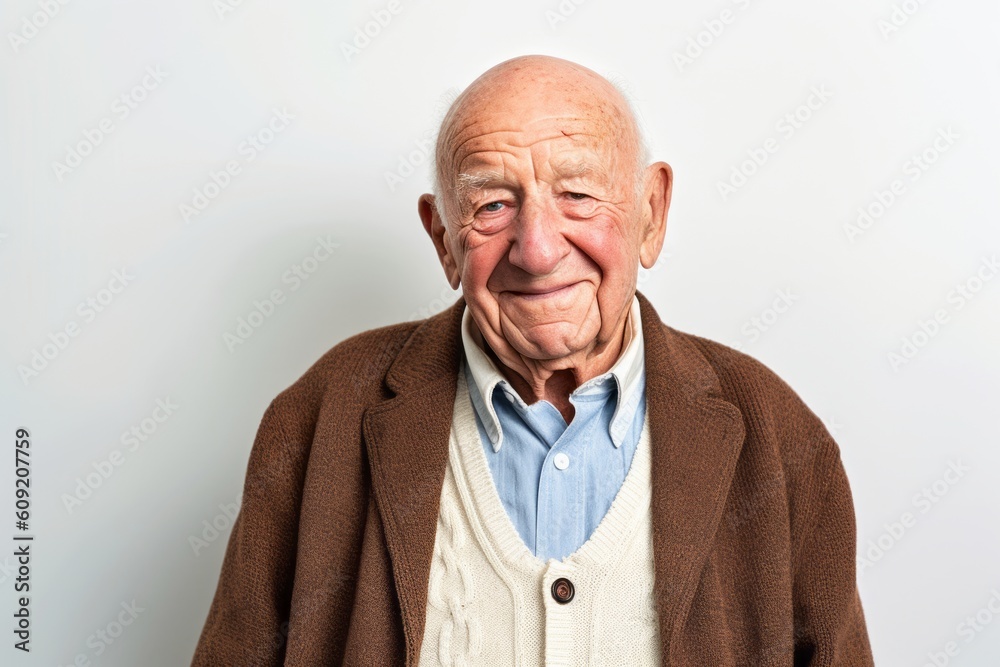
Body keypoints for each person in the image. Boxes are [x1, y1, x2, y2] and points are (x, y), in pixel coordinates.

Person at [191, 54, 875, 665]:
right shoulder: (321, 417)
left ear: (652, 211)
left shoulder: (775, 433)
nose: (538, 248)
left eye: (577, 194)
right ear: (443, 239)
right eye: (492, 203)